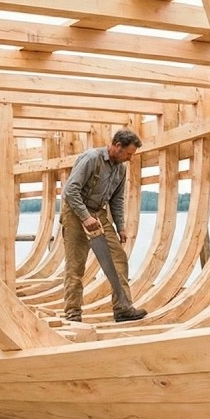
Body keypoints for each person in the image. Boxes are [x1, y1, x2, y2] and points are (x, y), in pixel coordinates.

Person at [61, 129, 147, 323]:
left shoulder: (120, 169)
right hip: (75, 211)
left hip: (98, 212)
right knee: (76, 264)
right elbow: (70, 190)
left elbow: (117, 200)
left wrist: (120, 226)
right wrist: (85, 217)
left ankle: (123, 308)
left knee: (119, 258)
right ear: (117, 146)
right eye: (128, 154)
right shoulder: (92, 158)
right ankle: (73, 312)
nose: (130, 158)